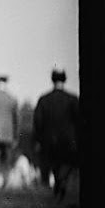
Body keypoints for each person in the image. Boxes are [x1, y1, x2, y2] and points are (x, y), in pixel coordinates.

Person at [33, 68, 79, 200]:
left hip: (49, 139)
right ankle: (62, 181)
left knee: (54, 163)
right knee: (67, 162)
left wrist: (38, 138)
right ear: (64, 80)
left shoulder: (44, 99)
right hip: (69, 139)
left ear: (52, 80)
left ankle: (58, 181)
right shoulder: (72, 99)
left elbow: (38, 121)